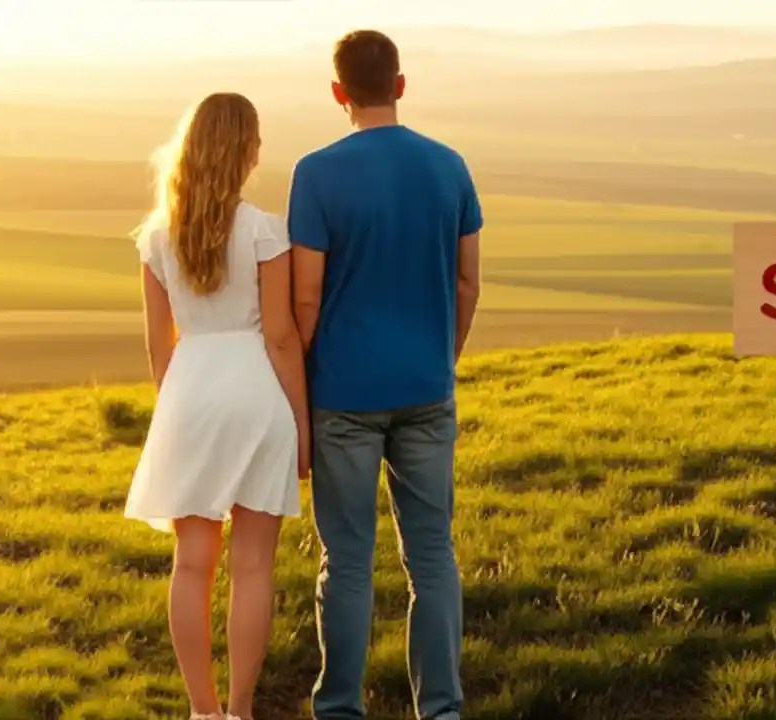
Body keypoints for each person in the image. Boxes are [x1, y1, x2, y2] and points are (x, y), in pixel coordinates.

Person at [288, 29, 483, 720]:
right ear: (402, 85)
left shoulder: (314, 173)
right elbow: (467, 284)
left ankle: (340, 708)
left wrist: (303, 378)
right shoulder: (449, 166)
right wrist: (442, 358)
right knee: (432, 557)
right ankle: (442, 710)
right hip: (427, 387)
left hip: (341, 393)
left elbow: (305, 296)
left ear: (339, 92)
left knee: (346, 561)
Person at [124, 92, 311, 720]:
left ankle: (202, 713)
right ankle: (240, 710)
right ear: (247, 153)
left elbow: (159, 344)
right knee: (253, 565)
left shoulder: (155, 238)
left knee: (192, 562)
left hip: (190, 391)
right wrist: (301, 426)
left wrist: (173, 412)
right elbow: (283, 336)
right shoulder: (264, 229)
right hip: (257, 391)